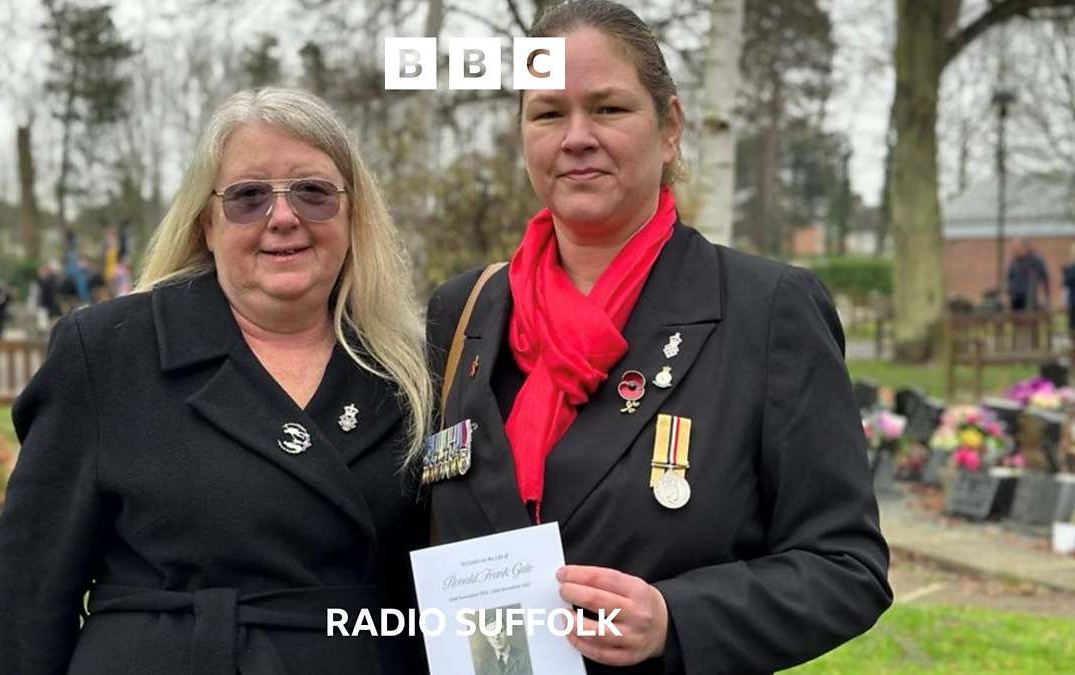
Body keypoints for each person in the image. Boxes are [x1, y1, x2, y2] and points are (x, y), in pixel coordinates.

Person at [424, 2, 892, 674]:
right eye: (549, 113)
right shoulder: (462, 314)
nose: (576, 136)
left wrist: (677, 618)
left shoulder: (768, 312)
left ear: (670, 126)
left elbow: (847, 567)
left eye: (609, 108)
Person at [0, 88, 433, 675]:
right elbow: (30, 582)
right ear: (207, 223)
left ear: (353, 213)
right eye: (248, 197)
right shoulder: (107, 351)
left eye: (314, 192)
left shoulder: (411, 368)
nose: (284, 217)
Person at [471, 609, 533, 675]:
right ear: (487, 638)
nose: (496, 637)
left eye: (500, 631)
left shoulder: (525, 658)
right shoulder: (484, 667)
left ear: (507, 632)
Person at [1007, 239, 1050, 312]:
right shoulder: (1014, 262)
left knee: (1030, 319)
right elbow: (1010, 278)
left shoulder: (1036, 261)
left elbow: (1044, 279)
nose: (1015, 251)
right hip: (1016, 297)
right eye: (1014, 249)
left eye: (1018, 248)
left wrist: (1044, 295)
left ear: (1025, 247)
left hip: (1031, 297)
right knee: (1017, 320)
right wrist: (1008, 294)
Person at [1062, 242, 1075, 332]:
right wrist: (1065, 300)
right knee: (1072, 327)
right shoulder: (1070, 270)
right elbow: (1066, 288)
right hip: (1073, 302)